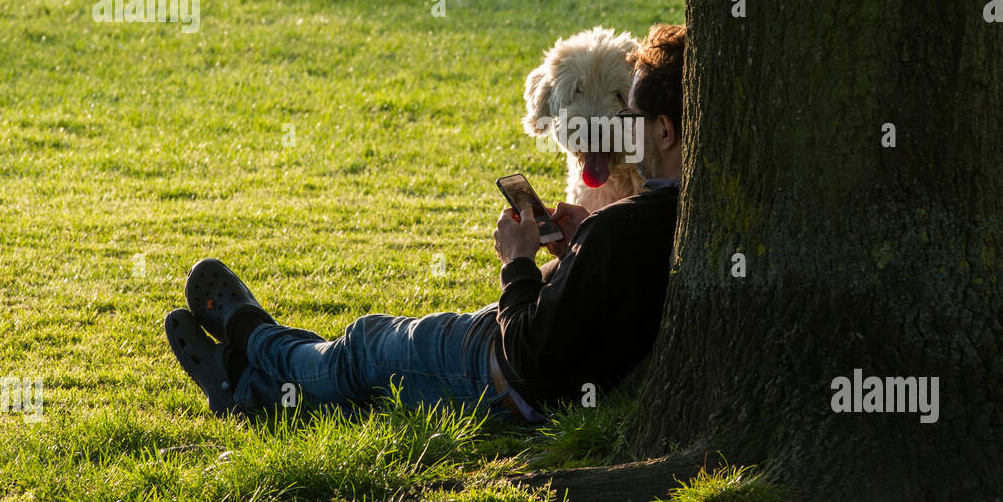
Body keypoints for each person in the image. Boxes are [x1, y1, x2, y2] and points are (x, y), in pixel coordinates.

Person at [166, 24, 685, 423]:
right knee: (366, 373)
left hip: (502, 371)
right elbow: (591, 307)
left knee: (364, 348)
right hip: (516, 348)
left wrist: (520, 262)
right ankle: (246, 385)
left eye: (630, 112)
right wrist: (573, 253)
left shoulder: (623, 226)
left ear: (663, 131)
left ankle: (251, 337)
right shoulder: (672, 218)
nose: (614, 125)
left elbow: (531, 355)